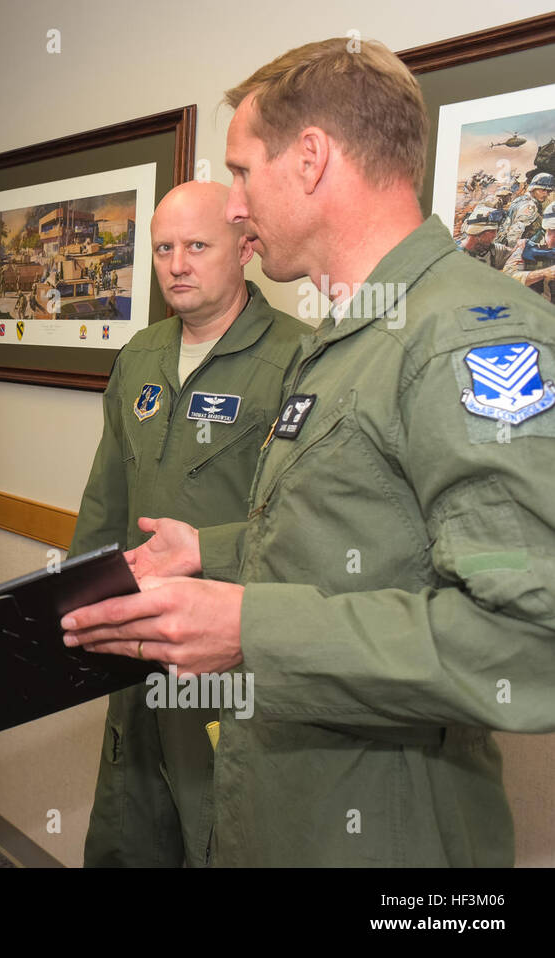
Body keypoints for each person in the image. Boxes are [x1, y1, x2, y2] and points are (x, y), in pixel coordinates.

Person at [61, 37, 555, 867]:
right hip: (282, 801)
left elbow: (530, 636)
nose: (238, 207)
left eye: (244, 173)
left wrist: (254, 629)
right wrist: (208, 551)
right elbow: (345, 538)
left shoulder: (466, 339)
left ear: (313, 160)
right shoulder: (346, 337)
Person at [71, 181, 304, 868]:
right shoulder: (141, 355)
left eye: (197, 246)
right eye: (164, 248)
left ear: (245, 248)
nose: (177, 264)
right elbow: (105, 500)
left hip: (224, 657)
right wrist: (75, 613)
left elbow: (300, 526)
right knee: (130, 827)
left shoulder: (296, 359)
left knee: (219, 830)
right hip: (134, 645)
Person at [502, 198, 555, 305]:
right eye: (552, 231)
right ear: (546, 229)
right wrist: (543, 273)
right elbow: (507, 279)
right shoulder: (527, 248)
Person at [454, 203, 506, 268]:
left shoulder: (494, 250)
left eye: (495, 231)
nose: (494, 235)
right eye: (491, 232)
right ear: (477, 232)